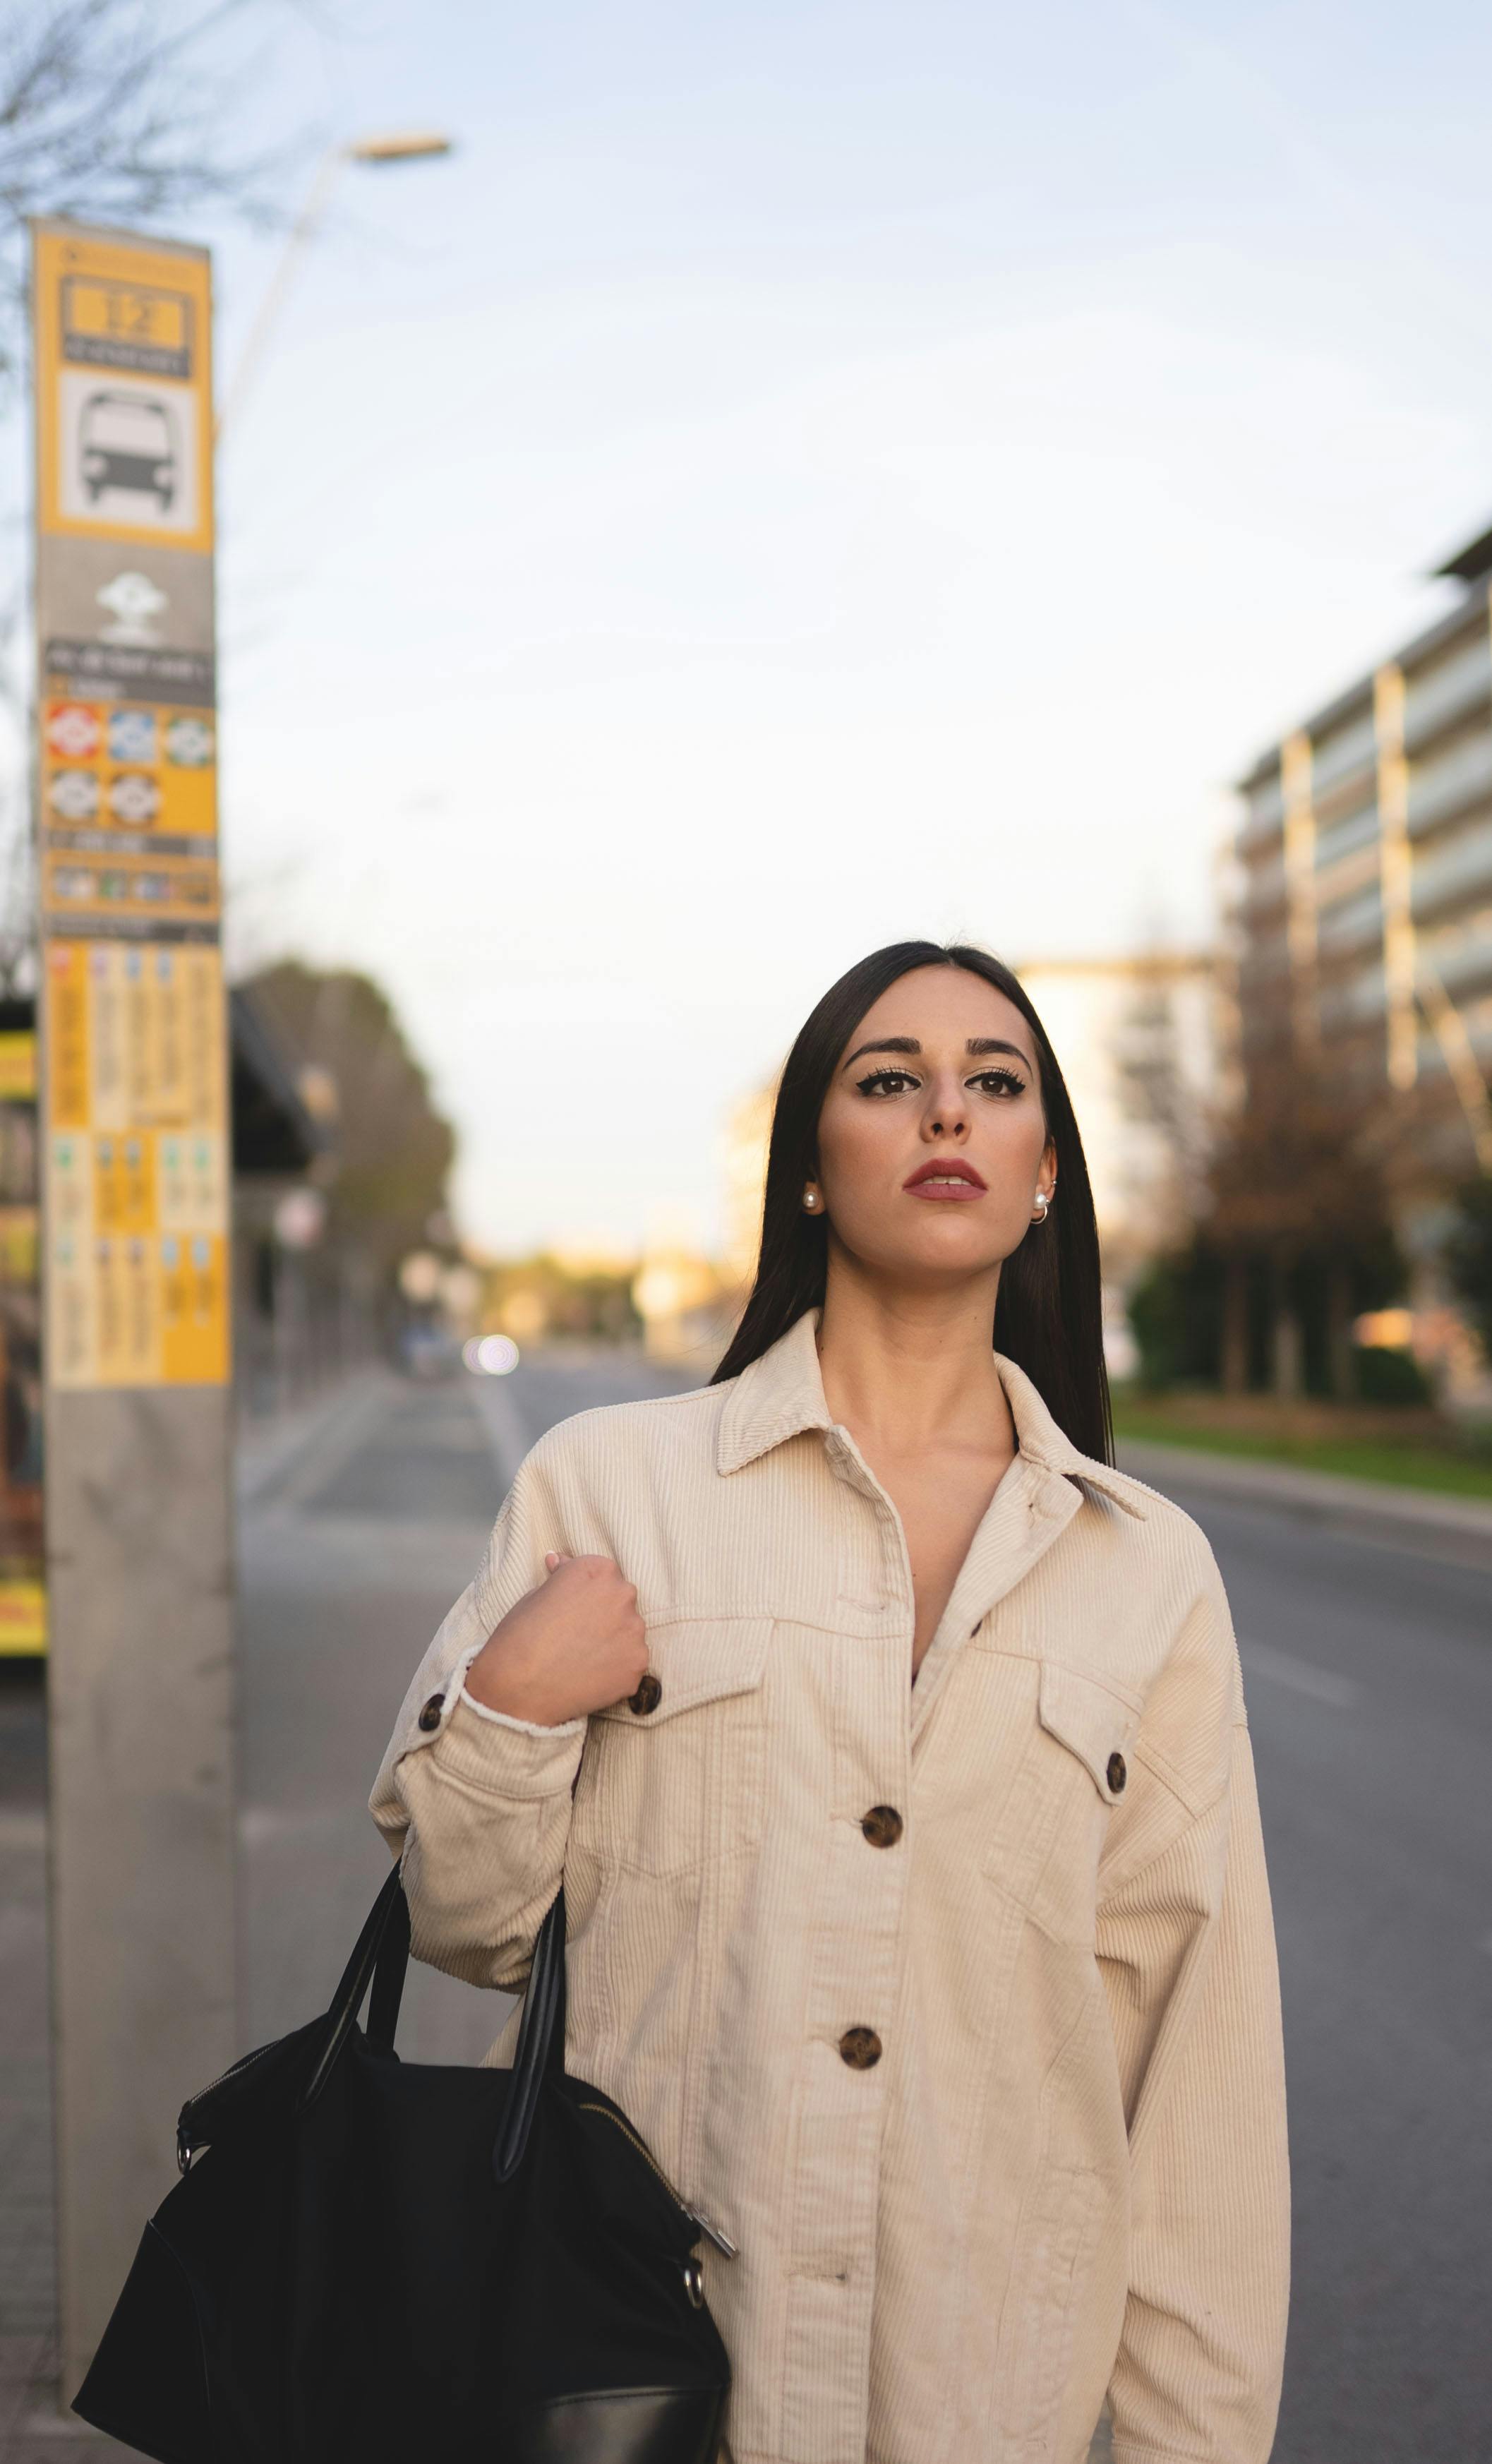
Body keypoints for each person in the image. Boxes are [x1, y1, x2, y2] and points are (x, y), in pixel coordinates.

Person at [368, 939, 1290, 2464]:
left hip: (988, 2404)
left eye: (994, 1085)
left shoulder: (1151, 1574)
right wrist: (514, 1707)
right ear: (809, 1165)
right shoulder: (611, 1490)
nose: (947, 1114)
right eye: (890, 1081)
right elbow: (466, 1926)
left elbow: (1197, 2086)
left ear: (1043, 1170)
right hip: (637, 2386)